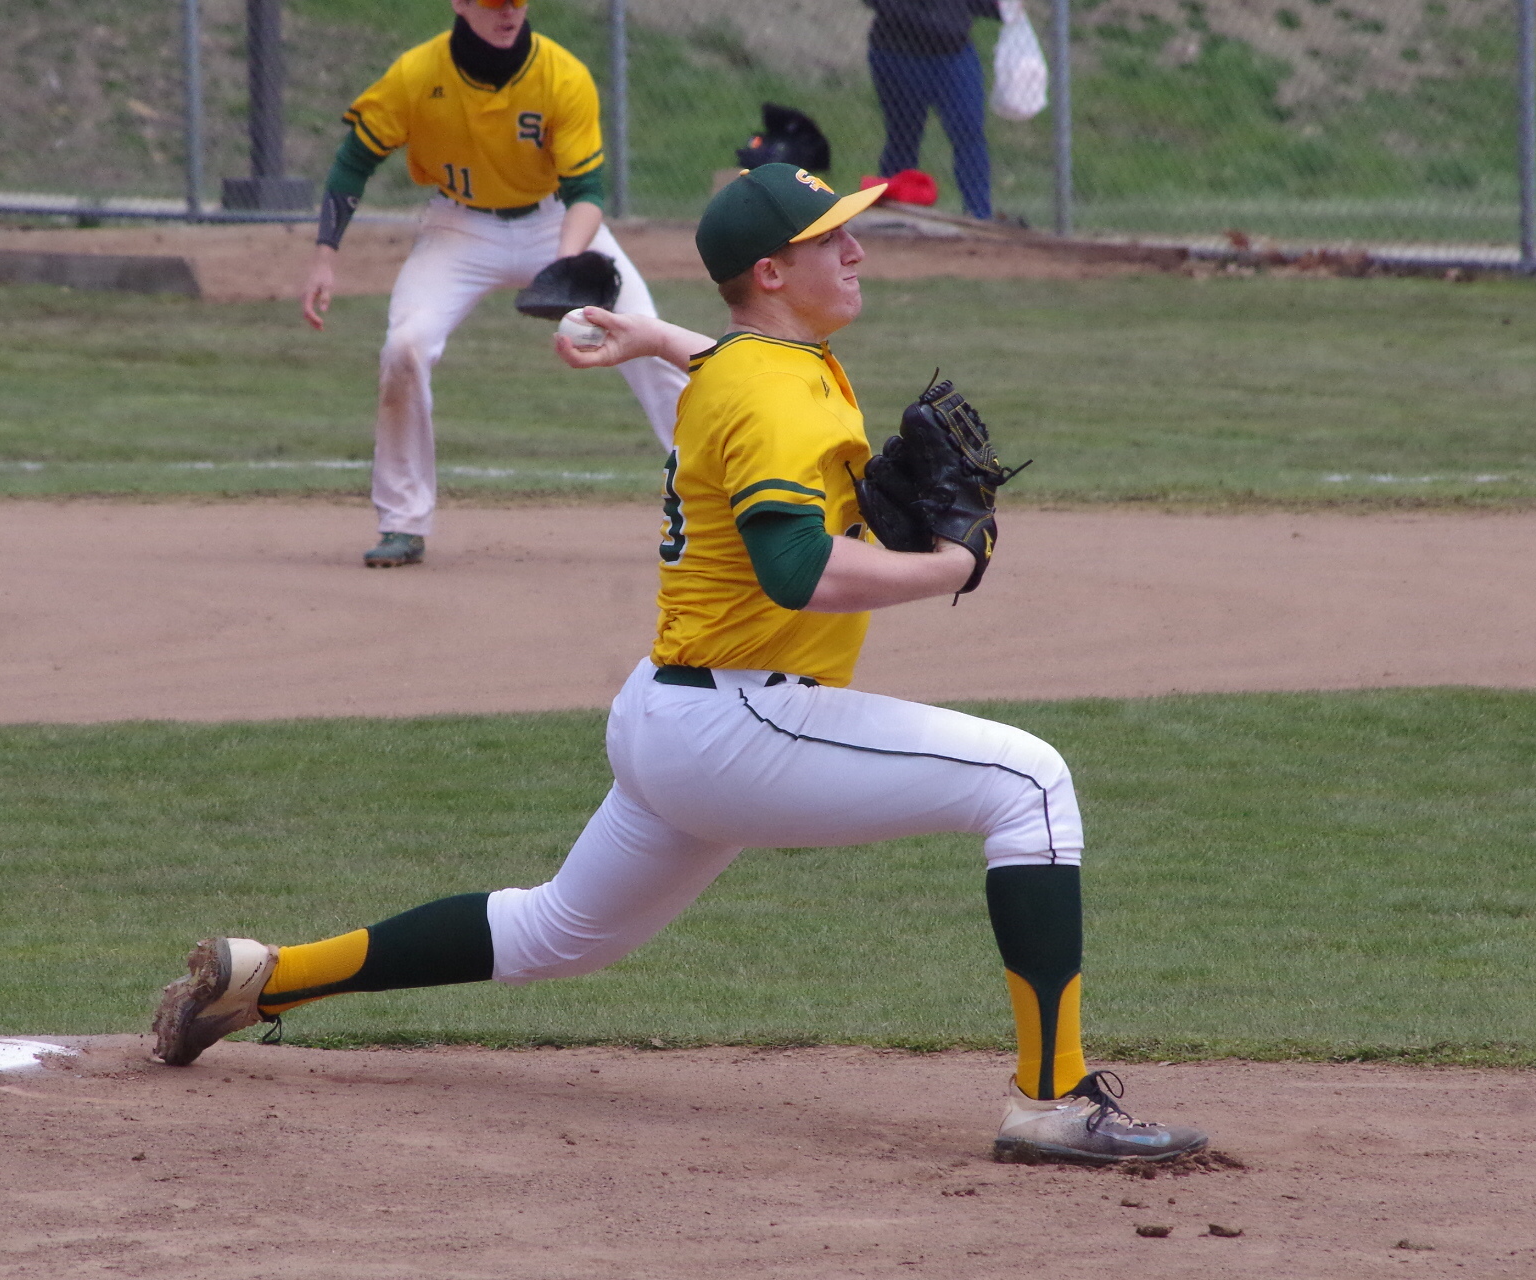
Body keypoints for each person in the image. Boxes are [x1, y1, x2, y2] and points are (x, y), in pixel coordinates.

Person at [155, 163, 1209, 1167]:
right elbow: (795, 568)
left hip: (674, 716)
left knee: (553, 928)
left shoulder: (754, 363)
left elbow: (727, 363)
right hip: (740, 725)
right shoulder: (777, 394)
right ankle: (1055, 1101)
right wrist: (946, 566)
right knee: (1031, 783)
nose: (855, 251)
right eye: (828, 238)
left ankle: (268, 976)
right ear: (771, 274)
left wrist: (654, 334)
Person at [301, 0, 687, 568]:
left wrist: (566, 262)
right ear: (459, 3)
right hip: (460, 227)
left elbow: (588, 193)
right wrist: (323, 258)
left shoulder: (562, 75)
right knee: (406, 345)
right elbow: (354, 161)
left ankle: (724, 507)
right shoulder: (416, 74)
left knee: (653, 344)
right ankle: (403, 523)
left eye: (516, 0)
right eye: (492, 2)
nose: (508, 11)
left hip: (556, 220)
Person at [863, 0, 1016, 222]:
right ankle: (891, 214)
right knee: (903, 136)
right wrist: (931, 20)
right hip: (898, 52)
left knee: (969, 133)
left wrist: (1004, 7)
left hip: (954, 52)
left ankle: (979, 214)